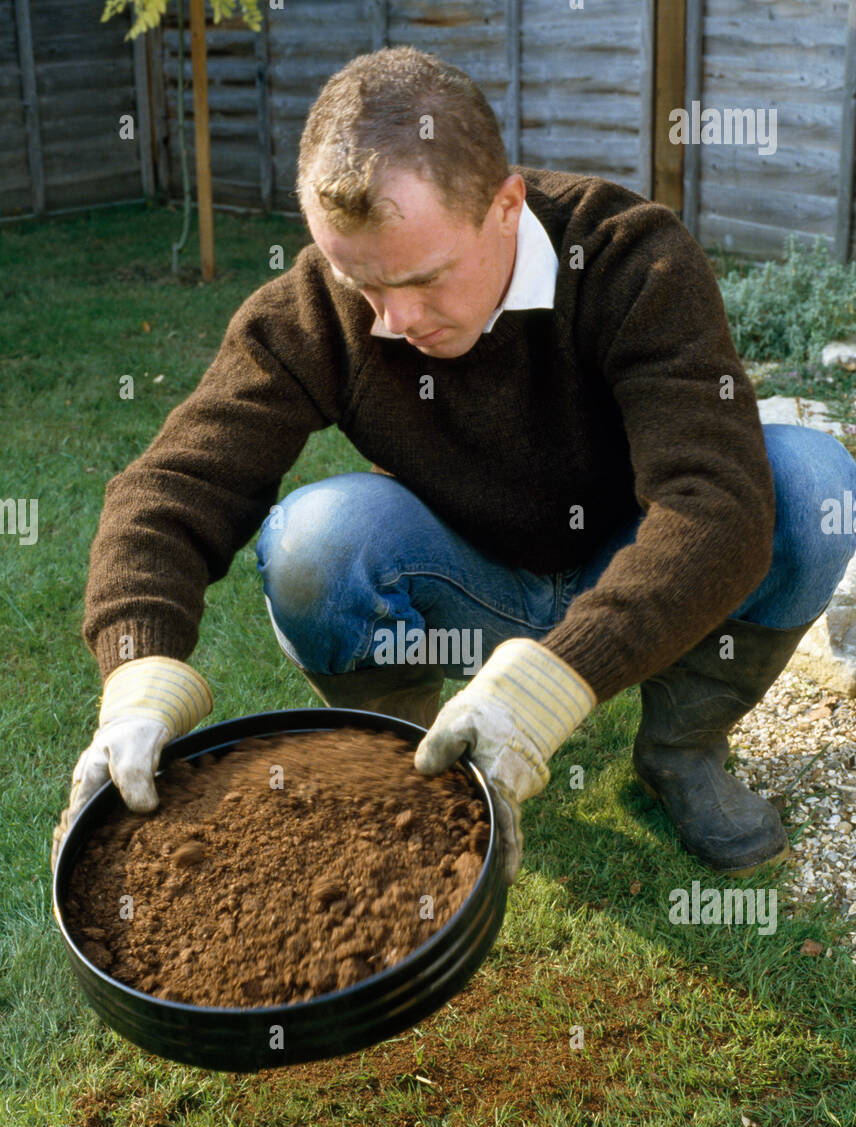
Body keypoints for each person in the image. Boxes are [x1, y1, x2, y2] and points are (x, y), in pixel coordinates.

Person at [52, 45, 856, 886]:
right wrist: (138, 677)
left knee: (809, 482)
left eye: (426, 279)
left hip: (640, 567)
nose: (392, 321)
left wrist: (552, 685)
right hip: (473, 581)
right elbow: (175, 483)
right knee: (314, 541)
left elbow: (713, 506)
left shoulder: (629, 259)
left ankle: (681, 751)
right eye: (360, 281)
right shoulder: (325, 313)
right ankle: (415, 774)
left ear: (506, 205)